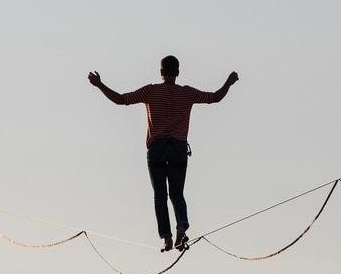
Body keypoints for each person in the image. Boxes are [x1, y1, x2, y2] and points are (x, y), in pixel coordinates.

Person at [89, 56, 239, 252]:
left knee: (160, 196)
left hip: (157, 149)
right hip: (178, 149)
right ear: (178, 72)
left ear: (161, 72)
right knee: (177, 193)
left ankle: (167, 238)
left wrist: (99, 85)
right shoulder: (187, 93)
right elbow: (215, 97)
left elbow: (121, 99)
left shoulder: (151, 91)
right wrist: (229, 82)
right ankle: (181, 225)